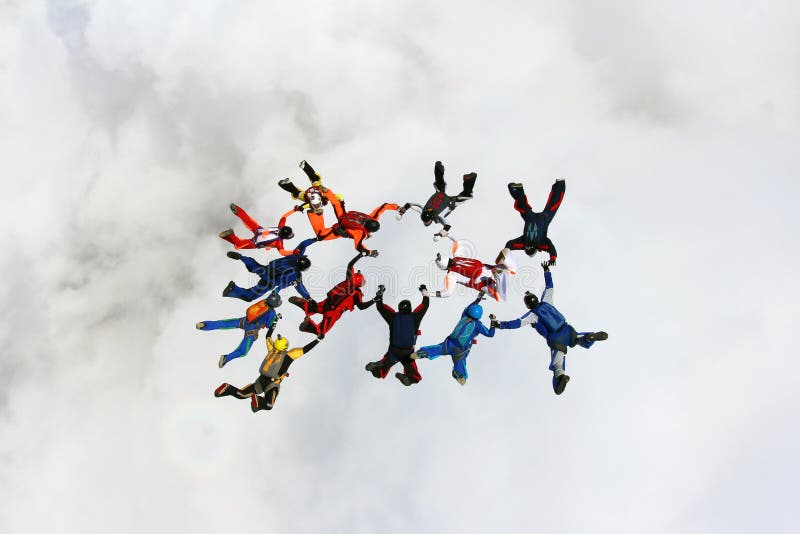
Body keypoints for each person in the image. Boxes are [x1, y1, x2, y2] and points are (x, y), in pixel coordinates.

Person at [491, 262, 608, 395]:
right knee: (578, 339)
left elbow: (517, 323)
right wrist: (546, 270)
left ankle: (560, 377)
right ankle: (589, 337)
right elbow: (550, 286)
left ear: (528, 305)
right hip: (567, 330)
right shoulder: (547, 300)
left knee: (558, 365)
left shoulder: (532, 315)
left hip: (556, 340)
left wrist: (499, 324)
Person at [279, 160, 398, 256]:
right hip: (340, 224)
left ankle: (303, 170)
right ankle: (288, 185)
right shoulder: (361, 233)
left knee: (320, 189)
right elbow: (358, 246)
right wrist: (369, 252)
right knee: (321, 234)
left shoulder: (373, 217)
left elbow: (384, 207)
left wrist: (398, 208)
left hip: (341, 211)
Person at [214, 333, 323, 412]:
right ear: (285, 346)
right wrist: (317, 340)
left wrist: (274, 324)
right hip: (272, 383)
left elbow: (268, 337)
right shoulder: (290, 354)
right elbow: (305, 349)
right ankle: (257, 401)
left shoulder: (271, 349)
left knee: (242, 394)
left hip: (261, 379)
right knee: (269, 405)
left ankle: (227, 388)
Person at [411, 296, 496, 385]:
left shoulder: (464, 316)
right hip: (460, 349)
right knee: (460, 361)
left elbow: (468, 308)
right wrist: (493, 321)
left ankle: (424, 352)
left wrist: (477, 300)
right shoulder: (478, 325)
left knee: (438, 348)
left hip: (449, 343)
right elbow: (490, 334)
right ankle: (460, 374)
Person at [288, 252, 377, 336]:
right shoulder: (357, 293)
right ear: (359, 283)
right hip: (333, 311)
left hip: (327, 302)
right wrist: (375, 299)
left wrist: (361, 255)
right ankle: (307, 324)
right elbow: (362, 306)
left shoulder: (348, 280)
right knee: (321, 331)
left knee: (314, 307)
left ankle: (301, 302)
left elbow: (350, 264)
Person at [365, 285, 430, 386]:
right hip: (407, 353)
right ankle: (408, 378)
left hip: (394, 351)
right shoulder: (415, 317)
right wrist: (424, 291)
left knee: (380, 372)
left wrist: (380, 293)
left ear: (399, 309)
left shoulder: (393, 316)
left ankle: (380, 365)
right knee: (414, 376)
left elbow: (381, 307)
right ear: (410, 309)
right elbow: (425, 305)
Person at [195, 292, 282, 368]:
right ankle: (226, 358)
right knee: (243, 351)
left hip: (245, 320)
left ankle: (204, 325)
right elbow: (268, 325)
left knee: (224, 324)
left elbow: (273, 294)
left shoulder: (264, 302)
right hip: (252, 329)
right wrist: (275, 319)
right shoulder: (272, 313)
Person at [398, 160, 477, 239]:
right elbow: (411, 204)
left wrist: (440, 234)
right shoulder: (423, 210)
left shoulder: (437, 218)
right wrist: (403, 209)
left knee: (467, 195)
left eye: (426, 222)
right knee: (439, 183)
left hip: (450, 202)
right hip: (440, 194)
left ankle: (469, 180)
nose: (425, 223)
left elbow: (447, 225)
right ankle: (438, 169)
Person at [222, 237, 317, 302]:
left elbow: (303, 245)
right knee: (249, 296)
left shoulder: (295, 256)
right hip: (270, 282)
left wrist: (314, 239)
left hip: (268, 269)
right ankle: (232, 289)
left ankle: (242, 258)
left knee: (255, 266)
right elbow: (300, 288)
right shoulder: (296, 275)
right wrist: (308, 298)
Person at [496, 179, 565, 266]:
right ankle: (518, 190)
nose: (528, 248)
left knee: (526, 206)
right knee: (525, 206)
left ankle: (518, 189)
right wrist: (553, 258)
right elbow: (510, 244)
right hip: (536, 218)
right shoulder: (536, 244)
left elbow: (510, 244)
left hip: (537, 218)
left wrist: (504, 255)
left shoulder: (528, 243)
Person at [426, 237, 515, 302]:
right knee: (511, 269)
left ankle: (498, 277)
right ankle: (506, 260)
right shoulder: (456, 257)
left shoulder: (450, 275)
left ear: (443, 268)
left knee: (501, 298)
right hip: (486, 268)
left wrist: (429, 294)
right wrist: (446, 235)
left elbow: (447, 293)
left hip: (480, 280)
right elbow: (457, 242)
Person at [218, 203, 298, 255]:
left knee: (247, 219)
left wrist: (294, 210)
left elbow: (284, 216)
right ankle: (231, 235)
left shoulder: (280, 226)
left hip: (259, 230)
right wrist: (293, 252)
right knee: (238, 245)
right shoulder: (279, 242)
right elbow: (282, 252)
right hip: (255, 243)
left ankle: (238, 210)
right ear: (286, 238)